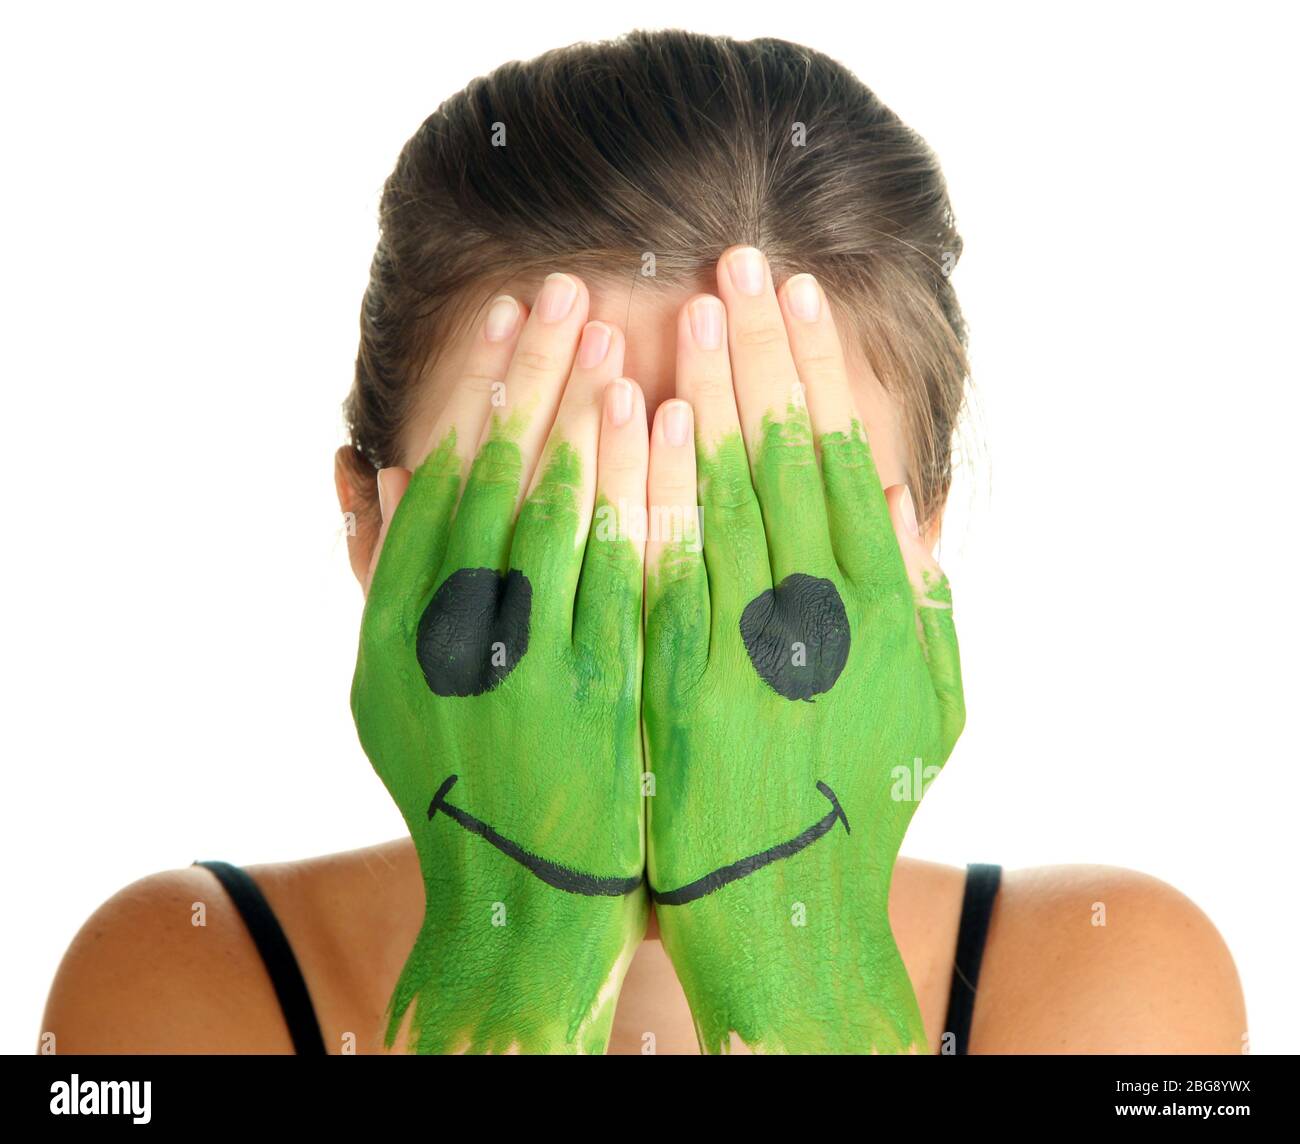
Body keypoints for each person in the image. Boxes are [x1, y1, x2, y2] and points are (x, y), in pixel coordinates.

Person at [40, 29, 1246, 1055]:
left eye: (764, 541)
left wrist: (806, 975)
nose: (651, 651)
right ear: (371, 537)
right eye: (562, 541)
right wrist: (509, 972)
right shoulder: (168, 987)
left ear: (917, 556)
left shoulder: (1121, 992)